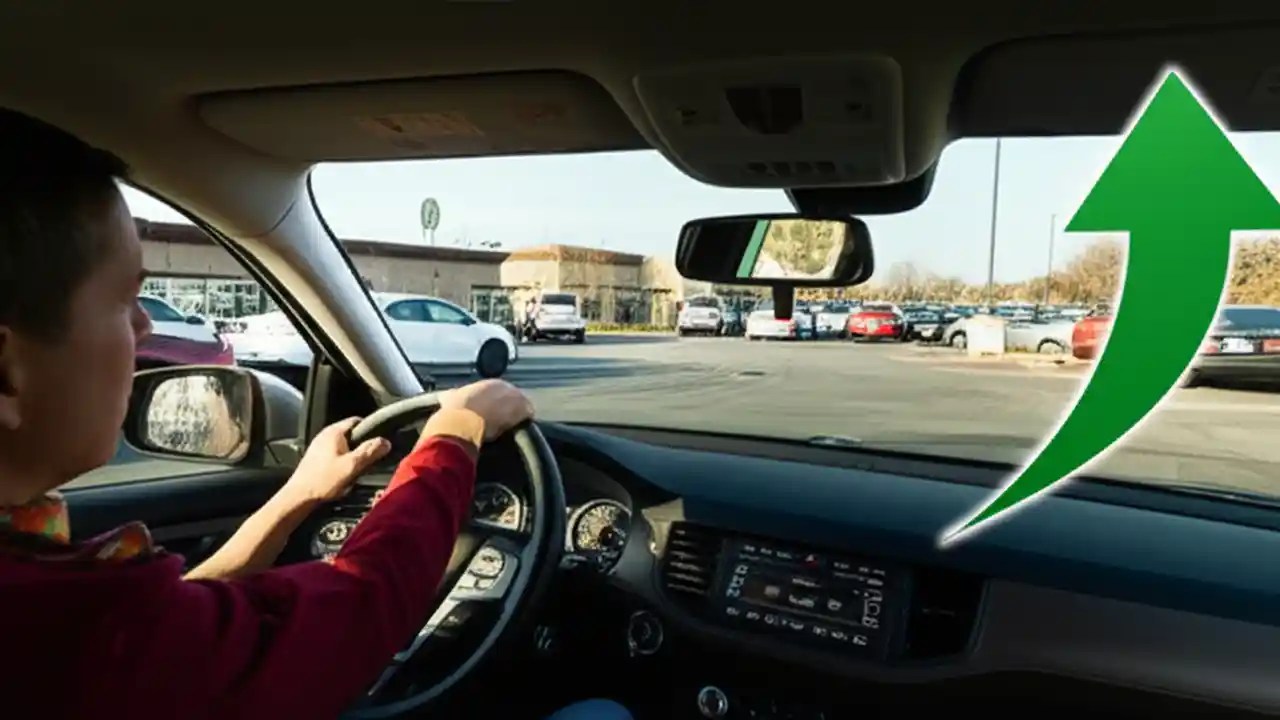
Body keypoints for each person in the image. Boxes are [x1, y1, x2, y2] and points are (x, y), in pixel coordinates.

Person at [0, 108, 632, 720]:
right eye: (125, 301)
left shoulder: (66, 608)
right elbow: (360, 607)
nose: (145, 329)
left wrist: (295, 497)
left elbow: (185, 619)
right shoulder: (68, 625)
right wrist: (454, 434)